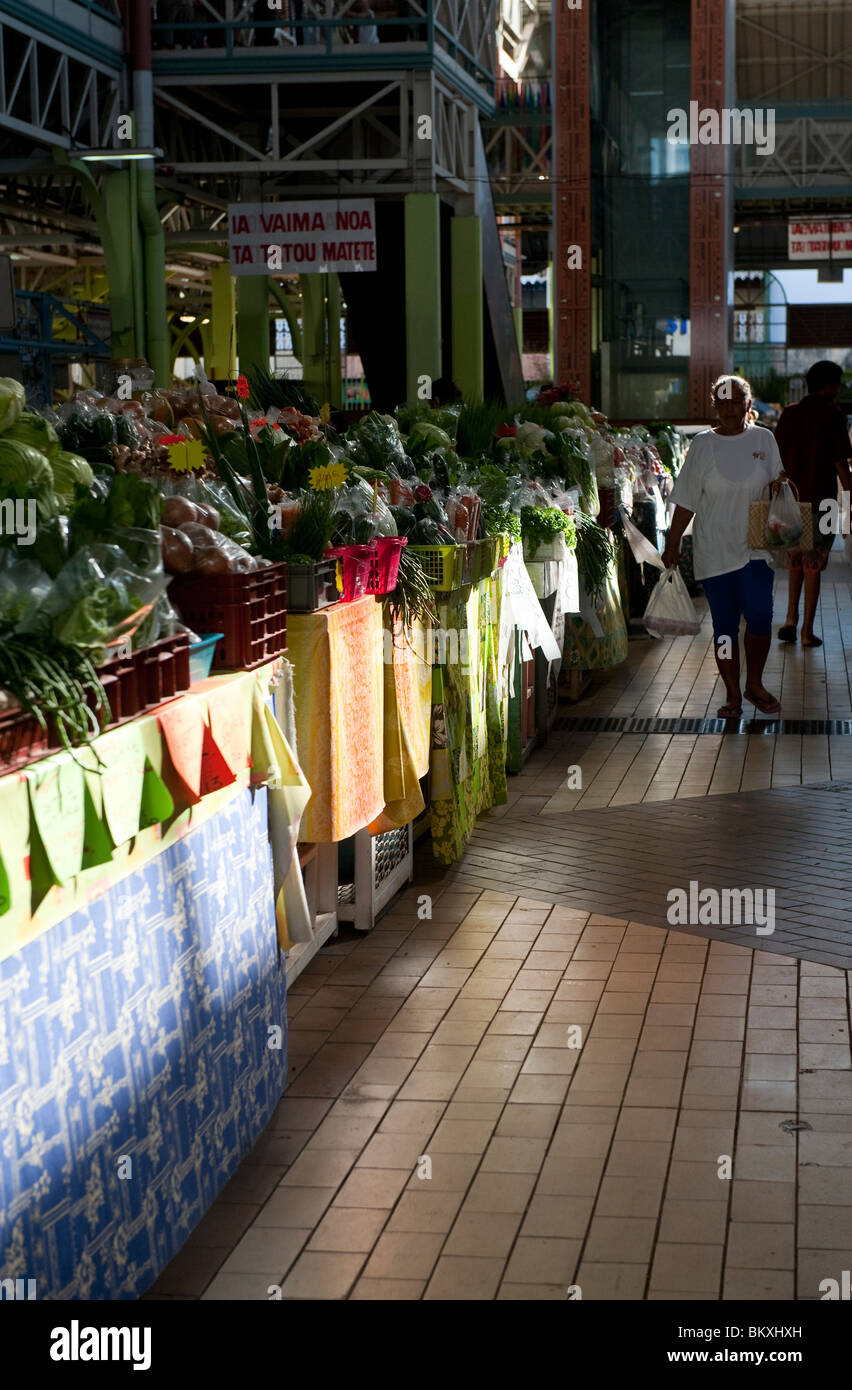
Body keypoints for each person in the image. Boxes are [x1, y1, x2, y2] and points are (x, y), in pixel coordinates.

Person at [662, 374, 787, 719]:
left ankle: (755, 684)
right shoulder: (702, 444)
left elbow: (779, 478)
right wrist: (672, 544)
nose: (731, 408)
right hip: (714, 550)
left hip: (756, 547)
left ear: (749, 405)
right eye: (724, 402)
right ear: (715, 406)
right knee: (725, 627)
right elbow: (686, 499)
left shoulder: (765, 438)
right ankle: (733, 693)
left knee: (761, 615)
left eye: (737, 401)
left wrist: (781, 485)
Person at [773, 359, 852, 647]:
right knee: (814, 563)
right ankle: (807, 631)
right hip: (823, 502)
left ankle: (790, 620)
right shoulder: (833, 415)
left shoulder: (791, 414)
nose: (839, 389)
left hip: (792, 502)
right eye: (838, 384)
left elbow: (776, 459)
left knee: (795, 561)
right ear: (829, 386)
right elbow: (840, 464)